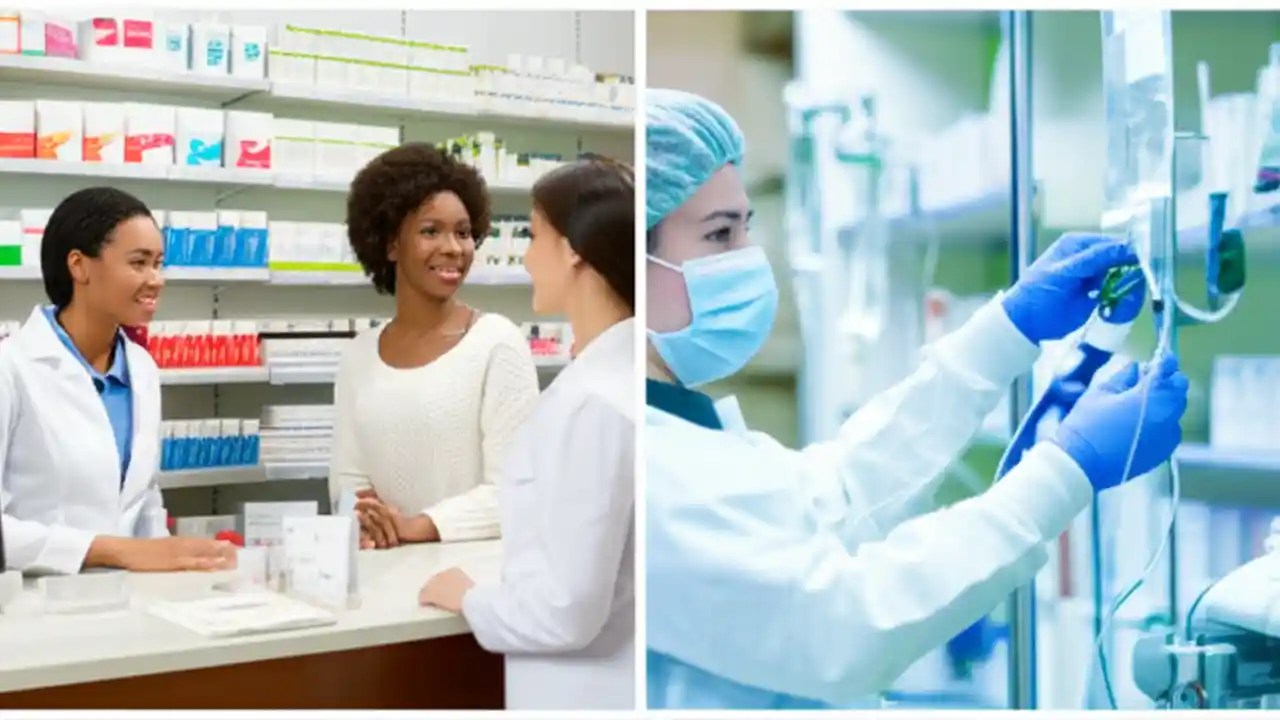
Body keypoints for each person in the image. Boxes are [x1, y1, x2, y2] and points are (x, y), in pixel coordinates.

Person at [643, 88, 1190, 709]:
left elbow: (838, 495)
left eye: (747, 227)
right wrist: (1066, 473)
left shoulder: (682, 434)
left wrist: (1005, 333)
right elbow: (844, 629)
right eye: (719, 235)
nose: (749, 260)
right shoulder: (640, 470)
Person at [418, 156, 636, 710]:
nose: (525, 255)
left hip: (585, 692)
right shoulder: (604, 378)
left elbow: (567, 612)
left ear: (574, 250)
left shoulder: (597, 403)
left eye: (534, 235)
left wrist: (470, 598)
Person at [0, 187, 235, 574]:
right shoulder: (13, 368)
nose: (155, 279)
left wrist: (175, 562)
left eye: (159, 263)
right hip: (34, 607)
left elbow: (143, 501)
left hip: (128, 605)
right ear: (79, 266)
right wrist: (112, 551)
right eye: (138, 263)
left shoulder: (140, 368)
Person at [332, 143, 540, 549]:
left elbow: (516, 489)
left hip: (477, 584)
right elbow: (347, 483)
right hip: (384, 575)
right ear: (390, 244)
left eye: (463, 232)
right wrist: (371, 523)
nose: (453, 248)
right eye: (431, 231)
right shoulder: (359, 356)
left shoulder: (496, 344)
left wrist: (418, 526)